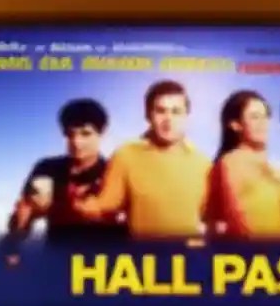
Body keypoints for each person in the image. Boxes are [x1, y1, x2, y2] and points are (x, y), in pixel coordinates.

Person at [74, 80, 211, 239]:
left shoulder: (202, 163)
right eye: (161, 111)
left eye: (176, 111)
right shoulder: (126, 155)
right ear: (148, 115)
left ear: (186, 115)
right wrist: (81, 205)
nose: (168, 119)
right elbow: (105, 206)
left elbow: (209, 218)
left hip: (190, 258)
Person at [4, 98, 123, 266]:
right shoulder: (47, 169)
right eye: (70, 134)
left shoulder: (116, 172)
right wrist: (13, 242)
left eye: (85, 133)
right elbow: (23, 216)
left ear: (102, 133)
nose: (76, 142)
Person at [204, 90, 280, 240]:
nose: (263, 123)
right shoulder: (231, 162)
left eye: (266, 117)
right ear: (235, 124)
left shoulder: (276, 171)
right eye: (255, 117)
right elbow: (232, 219)